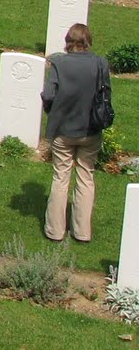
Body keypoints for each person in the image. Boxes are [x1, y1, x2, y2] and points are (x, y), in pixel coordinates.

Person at [43, 22, 109, 242]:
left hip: (63, 130)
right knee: (86, 177)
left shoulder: (59, 64)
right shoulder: (100, 63)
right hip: (91, 129)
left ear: (68, 41)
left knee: (61, 177)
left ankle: (55, 231)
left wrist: (52, 111)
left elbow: (49, 95)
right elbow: (105, 95)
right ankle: (82, 232)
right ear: (88, 41)